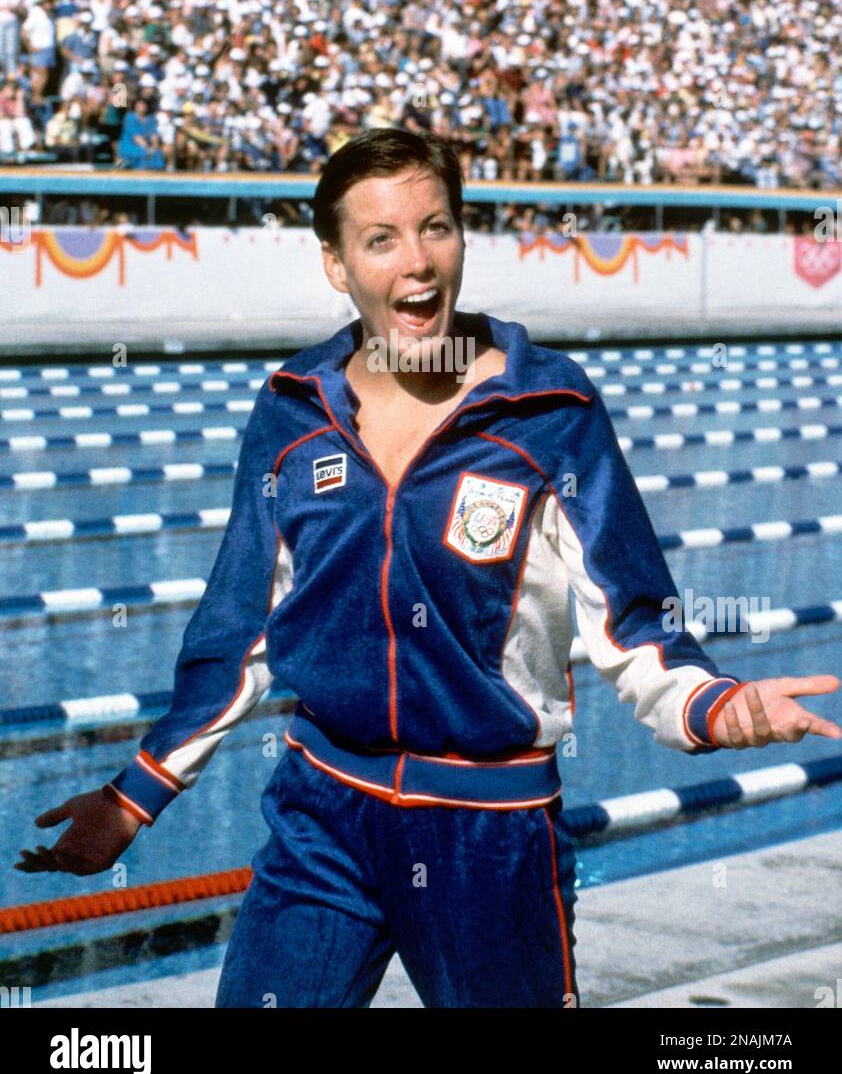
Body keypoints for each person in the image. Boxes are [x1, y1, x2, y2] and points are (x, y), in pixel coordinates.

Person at [16, 129, 842, 1009]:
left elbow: (633, 620)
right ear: (336, 264)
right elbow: (239, 627)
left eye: (436, 227)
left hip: (488, 835)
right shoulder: (294, 413)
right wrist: (137, 793)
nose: (417, 263)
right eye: (381, 239)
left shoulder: (546, 411)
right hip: (323, 814)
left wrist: (718, 707)